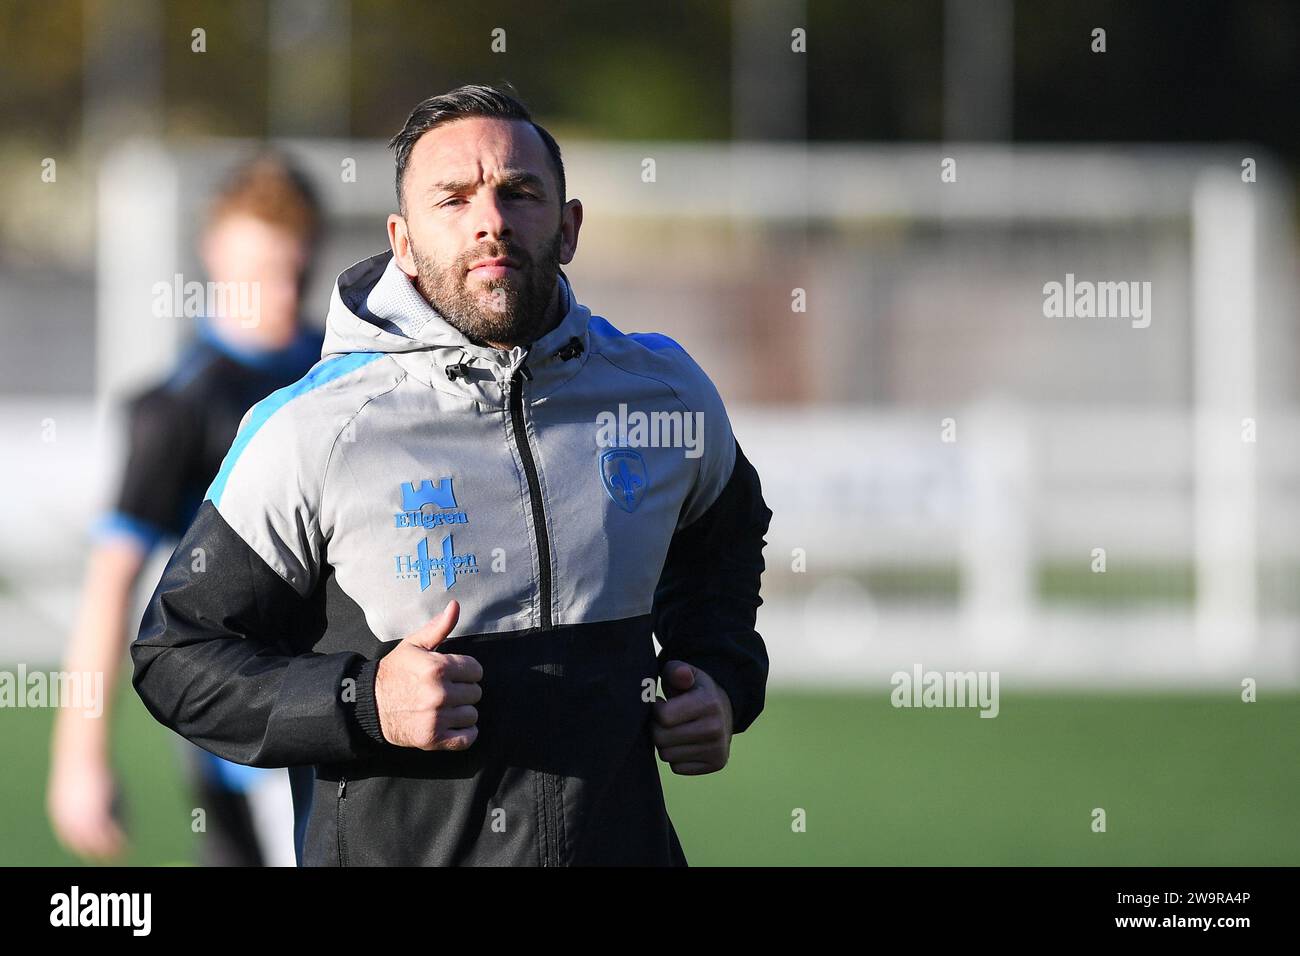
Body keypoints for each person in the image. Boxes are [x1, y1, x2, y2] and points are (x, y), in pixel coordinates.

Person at [131, 84, 773, 866]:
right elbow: (176, 658)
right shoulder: (311, 429)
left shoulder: (664, 393)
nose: (491, 220)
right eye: (454, 198)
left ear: (568, 229)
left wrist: (719, 676)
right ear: (402, 242)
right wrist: (363, 703)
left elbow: (726, 545)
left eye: (520, 192)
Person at [48, 155, 326, 866]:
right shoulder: (176, 409)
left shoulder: (343, 368)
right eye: (264, 268)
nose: (283, 291)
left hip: (364, 709)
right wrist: (80, 757)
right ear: (216, 253)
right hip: (254, 740)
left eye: (296, 269)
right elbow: (111, 583)